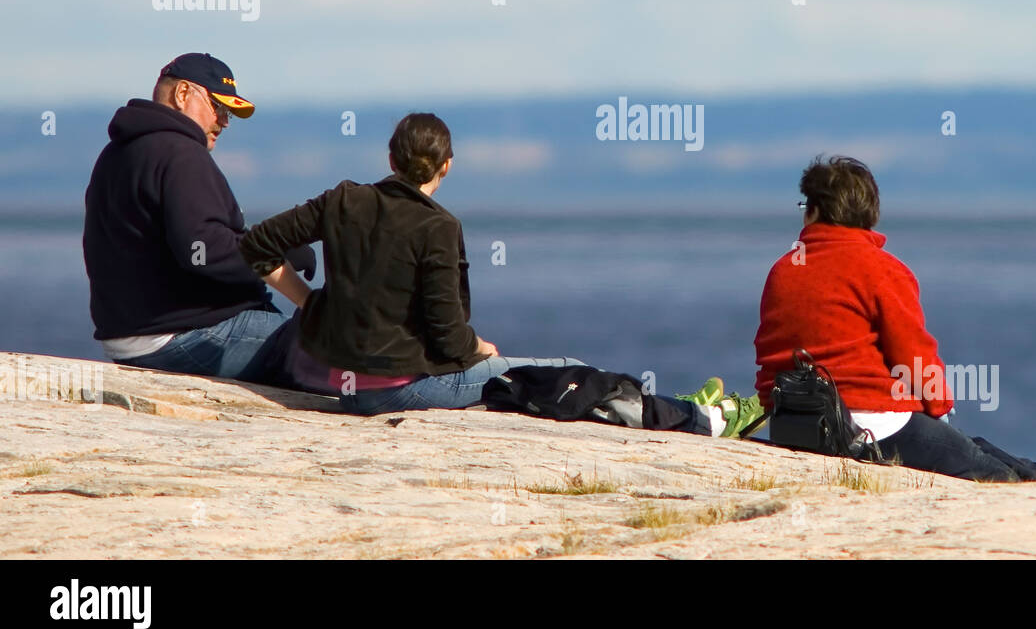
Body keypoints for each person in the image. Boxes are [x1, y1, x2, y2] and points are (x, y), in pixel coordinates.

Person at [238, 112, 763, 438]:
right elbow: (446, 332)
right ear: (446, 167)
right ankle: (697, 419)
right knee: (566, 373)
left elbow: (258, 245)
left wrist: (311, 304)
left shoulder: (343, 199)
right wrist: (478, 351)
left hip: (335, 378)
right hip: (396, 391)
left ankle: (684, 412)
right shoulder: (438, 227)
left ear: (391, 158)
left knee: (547, 380)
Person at [753, 155, 1036, 482]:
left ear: (814, 211)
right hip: (871, 426)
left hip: (796, 425)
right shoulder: (883, 270)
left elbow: (771, 354)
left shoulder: (782, 270)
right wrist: (938, 406)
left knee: (969, 447)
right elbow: (913, 354)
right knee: (984, 469)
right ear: (868, 214)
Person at [83, 53, 315, 383]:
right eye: (218, 107)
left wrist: (276, 246)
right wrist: (279, 257)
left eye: (229, 112)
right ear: (182, 94)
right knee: (338, 347)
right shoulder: (180, 153)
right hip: (183, 338)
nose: (224, 121)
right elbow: (204, 249)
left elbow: (196, 240)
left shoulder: (118, 153)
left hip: (129, 339)